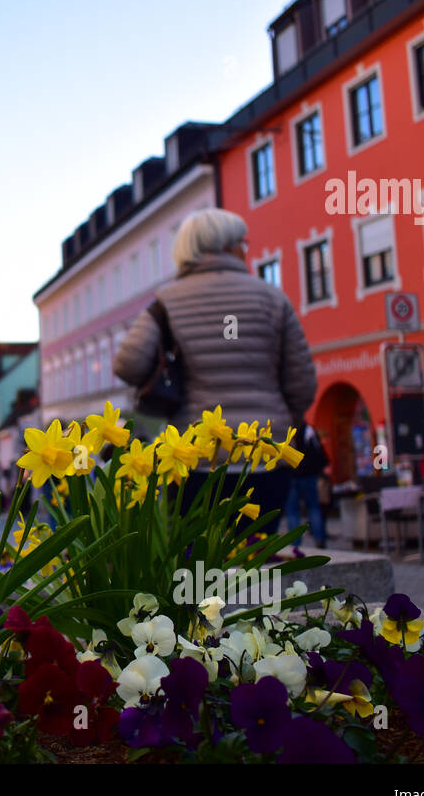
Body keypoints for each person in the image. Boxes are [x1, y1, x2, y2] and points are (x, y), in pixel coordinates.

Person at [113, 207, 318, 526]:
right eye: (243, 243)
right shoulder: (273, 298)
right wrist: (283, 420)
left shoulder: (167, 300)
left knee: (199, 563)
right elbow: (302, 382)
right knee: (256, 560)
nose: (245, 250)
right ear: (226, 246)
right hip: (264, 455)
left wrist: (169, 371)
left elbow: (127, 364)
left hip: (194, 457)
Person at [284, 419, 329, 548]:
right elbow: (319, 452)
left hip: (292, 475)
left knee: (292, 511)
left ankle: (295, 544)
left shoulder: (288, 427)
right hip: (309, 475)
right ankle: (319, 539)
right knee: (314, 507)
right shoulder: (308, 430)